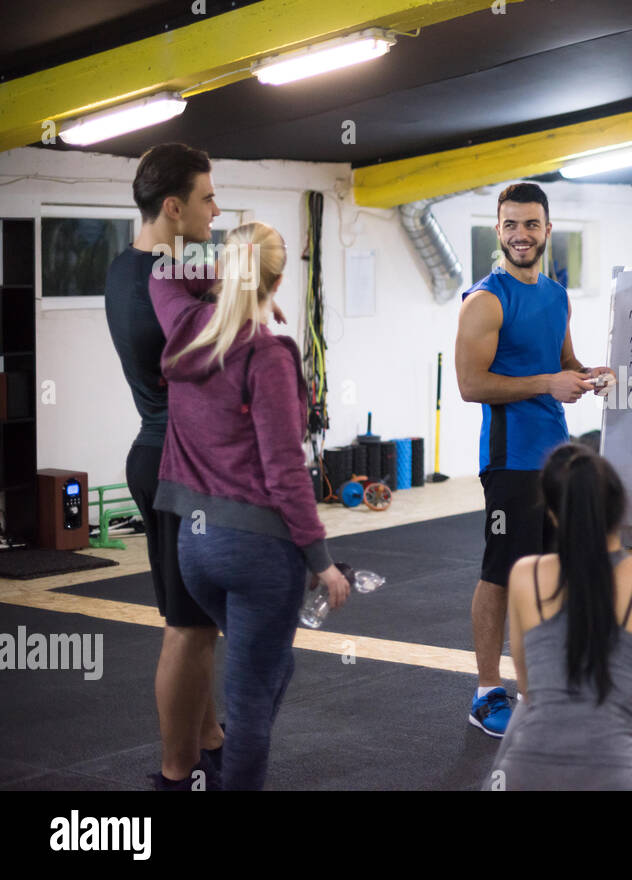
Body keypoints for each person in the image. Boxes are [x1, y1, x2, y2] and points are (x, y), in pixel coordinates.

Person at [149, 220, 351, 790]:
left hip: (194, 547)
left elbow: (162, 271)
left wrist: (232, 280)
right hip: (258, 552)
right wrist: (322, 561)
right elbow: (286, 471)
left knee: (265, 667)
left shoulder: (189, 333)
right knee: (253, 703)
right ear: (280, 279)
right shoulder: (268, 356)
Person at [455, 183, 614, 737]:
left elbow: (563, 361)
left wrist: (592, 375)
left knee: (550, 571)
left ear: (548, 230)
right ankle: (485, 692)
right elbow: (471, 384)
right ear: (498, 231)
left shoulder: (555, 294)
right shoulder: (485, 300)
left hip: (556, 459)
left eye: (530, 224)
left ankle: (540, 687)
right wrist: (547, 382)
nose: (520, 234)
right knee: (502, 574)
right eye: (510, 225)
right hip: (510, 461)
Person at [485, 444, 632, 790]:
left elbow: (530, 688)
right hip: (615, 780)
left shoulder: (526, 575)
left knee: (527, 710)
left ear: (552, 514)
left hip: (523, 778)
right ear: (621, 506)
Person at [105, 143, 226, 790]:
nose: (217, 208)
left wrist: (235, 285)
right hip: (174, 466)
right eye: (207, 197)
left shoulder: (130, 268)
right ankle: (176, 773)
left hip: (160, 460)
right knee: (188, 628)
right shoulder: (162, 281)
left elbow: (216, 270)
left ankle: (208, 739)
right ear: (174, 207)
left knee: (197, 622)